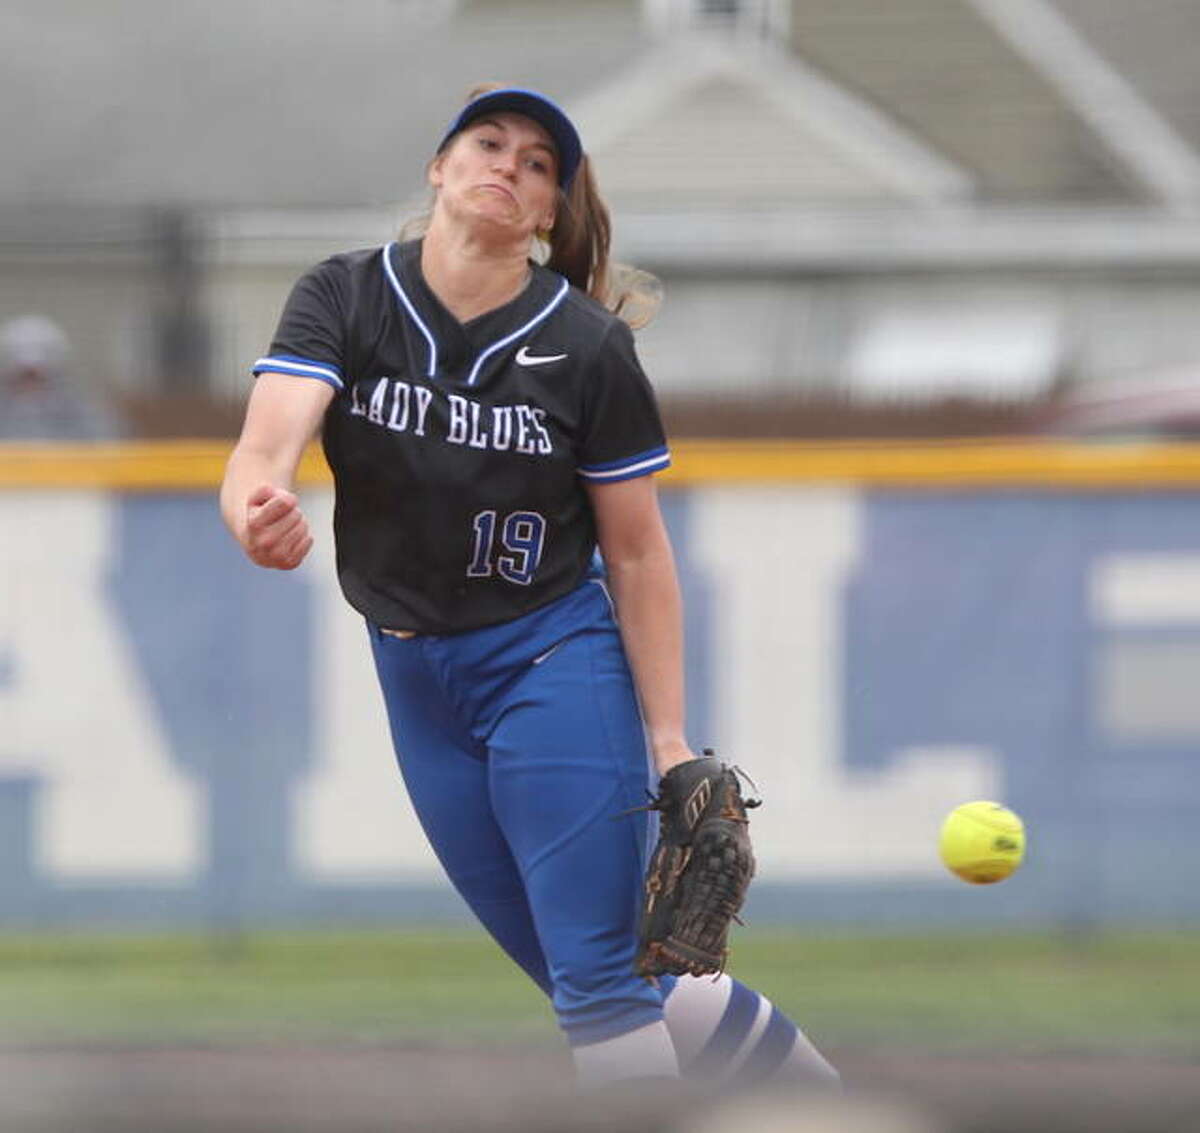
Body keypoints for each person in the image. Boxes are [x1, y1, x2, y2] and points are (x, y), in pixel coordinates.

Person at [220, 84, 838, 1090]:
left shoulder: (588, 346)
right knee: (608, 975)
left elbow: (637, 553)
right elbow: (263, 449)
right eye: (488, 142)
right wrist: (256, 508)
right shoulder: (347, 295)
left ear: (550, 210)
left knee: (601, 987)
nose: (508, 165)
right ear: (440, 167)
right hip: (417, 683)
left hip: (549, 663)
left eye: (538, 162)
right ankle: (823, 1103)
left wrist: (668, 739)